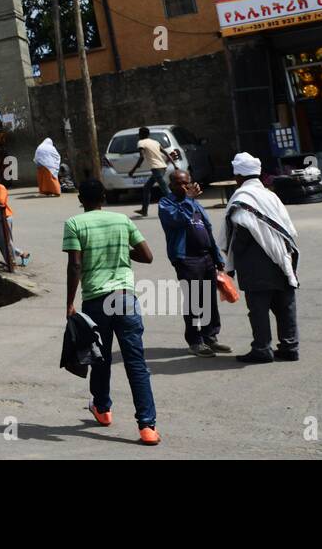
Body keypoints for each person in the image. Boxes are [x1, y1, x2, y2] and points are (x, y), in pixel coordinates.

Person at [62, 179, 159, 445]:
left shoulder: (74, 224)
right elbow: (148, 256)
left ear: (81, 199)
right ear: (104, 197)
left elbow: (75, 266)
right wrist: (122, 254)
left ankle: (103, 409)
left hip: (95, 301)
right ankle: (147, 427)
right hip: (125, 298)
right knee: (135, 362)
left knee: (100, 358)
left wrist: (69, 303)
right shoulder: (122, 220)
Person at [223, 152, 300, 364]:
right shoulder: (270, 195)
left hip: (256, 263)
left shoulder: (243, 197)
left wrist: (231, 258)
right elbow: (288, 227)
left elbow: (243, 229)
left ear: (239, 175)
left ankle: (262, 349)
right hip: (282, 258)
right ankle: (289, 346)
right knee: (285, 306)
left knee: (258, 310)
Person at [158, 169, 231, 357]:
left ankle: (210, 337)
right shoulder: (166, 204)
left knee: (209, 299)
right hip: (186, 258)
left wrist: (216, 256)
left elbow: (207, 230)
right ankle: (195, 340)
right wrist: (189, 199)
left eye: (187, 182)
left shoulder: (195, 204)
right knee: (194, 300)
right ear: (171, 185)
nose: (185, 186)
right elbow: (177, 219)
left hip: (205, 256)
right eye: (181, 183)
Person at [129, 127, 170, 218]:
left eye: (139, 134)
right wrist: (173, 164)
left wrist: (133, 170)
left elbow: (142, 157)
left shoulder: (141, 143)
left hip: (156, 169)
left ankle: (181, 207)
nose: (139, 136)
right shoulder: (155, 142)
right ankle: (144, 210)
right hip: (162, 167)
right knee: (146, 187)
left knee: (166, 190)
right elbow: (166, 153)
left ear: (142, 134)